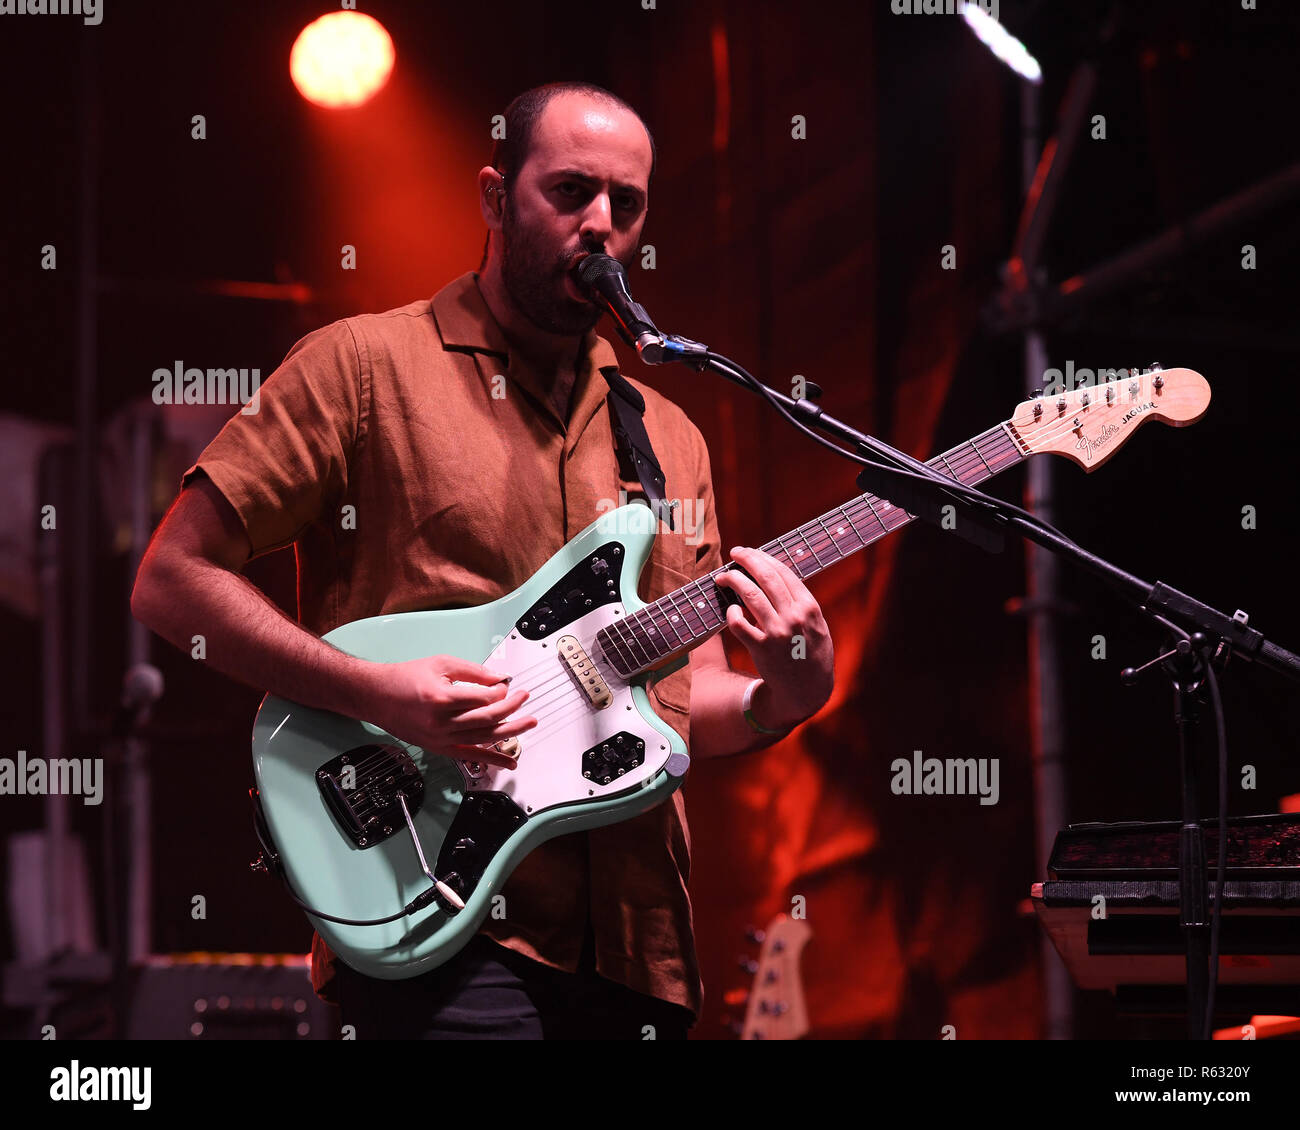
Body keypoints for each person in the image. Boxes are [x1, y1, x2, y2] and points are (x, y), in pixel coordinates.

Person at [131, 81, 835, 1040]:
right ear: (496, 198)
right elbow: (173, 580)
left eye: (626, 205)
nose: (602, 224)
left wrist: (785, 696)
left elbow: (688, 701)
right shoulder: (363, 368)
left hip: (640, 953)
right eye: (572, 191)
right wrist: (367, 691)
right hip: (440, 925)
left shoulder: (667, 436)